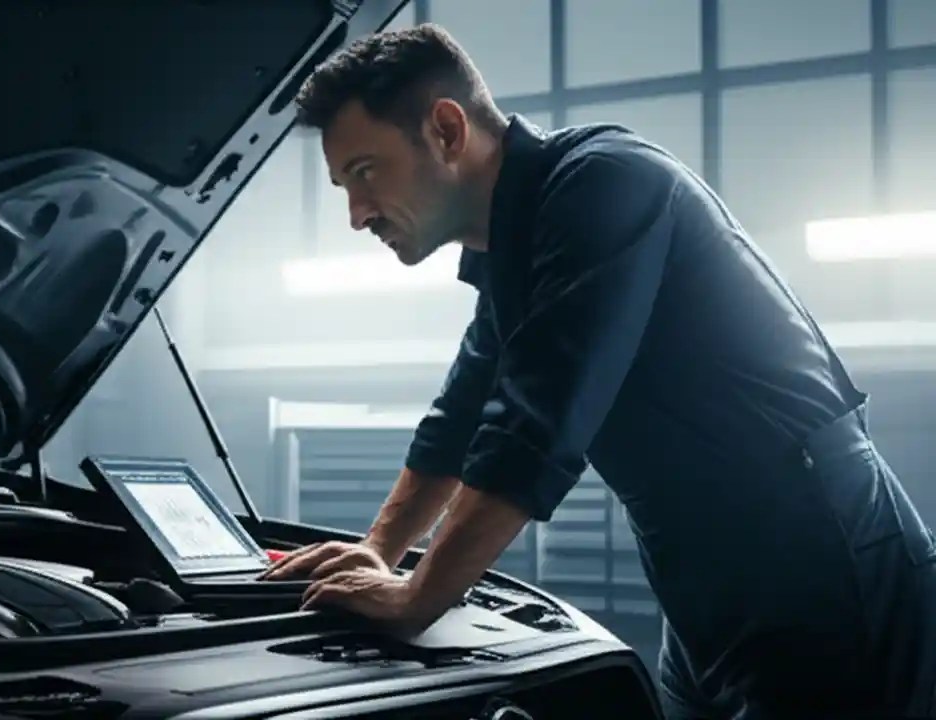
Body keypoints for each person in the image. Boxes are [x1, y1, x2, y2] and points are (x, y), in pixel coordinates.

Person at [258, 22, 936, 720]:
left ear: (447, 130)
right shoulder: (518, 254)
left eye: (365, 173)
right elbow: (461, 415)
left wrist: (419, 597)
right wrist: (379, 549)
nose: (356, 214)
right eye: (343, 186)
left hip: (823, 566)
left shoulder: (603, 185)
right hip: (702, 596)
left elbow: (534, 425)